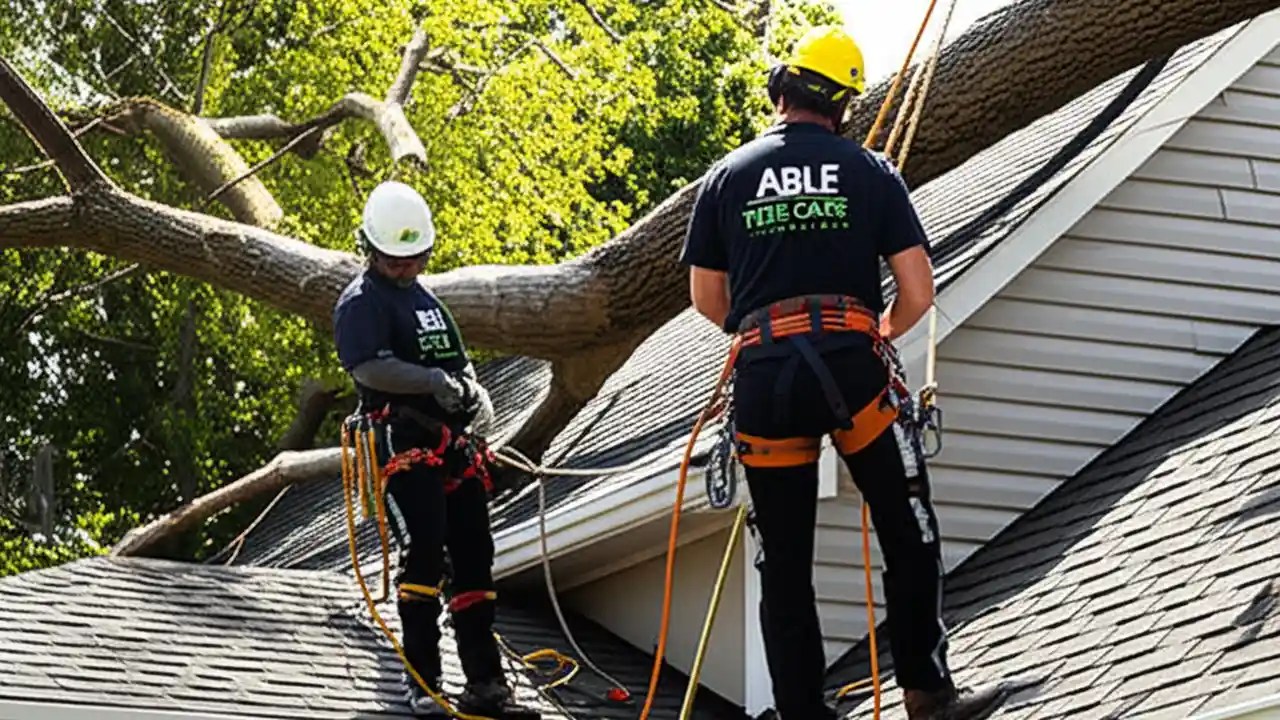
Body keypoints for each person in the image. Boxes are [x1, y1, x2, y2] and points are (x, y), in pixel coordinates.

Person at [679, 25, 1009, 720]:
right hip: (852, 368)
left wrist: (771, 336)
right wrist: (874, 333)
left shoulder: (726, 178)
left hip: (766, 379)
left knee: (785, 560)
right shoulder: (868, 171)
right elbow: (918, 290)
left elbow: (710, 302)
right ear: (844, 105)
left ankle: (803, 713)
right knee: (907, 524)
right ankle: (926, 692)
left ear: (781, 92)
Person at [333, 180, 512, 716]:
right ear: (372, 249)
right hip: (400, 440)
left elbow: (457, 359)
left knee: (475, 551)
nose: (406, 269)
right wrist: (432, 381)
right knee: (426, 545)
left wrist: (472, 390)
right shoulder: (361, 303)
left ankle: (485, 682)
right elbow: (368, 366)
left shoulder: (428, 302)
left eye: (414, 259)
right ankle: (422, 679)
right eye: (395, 261)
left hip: (451, 441)